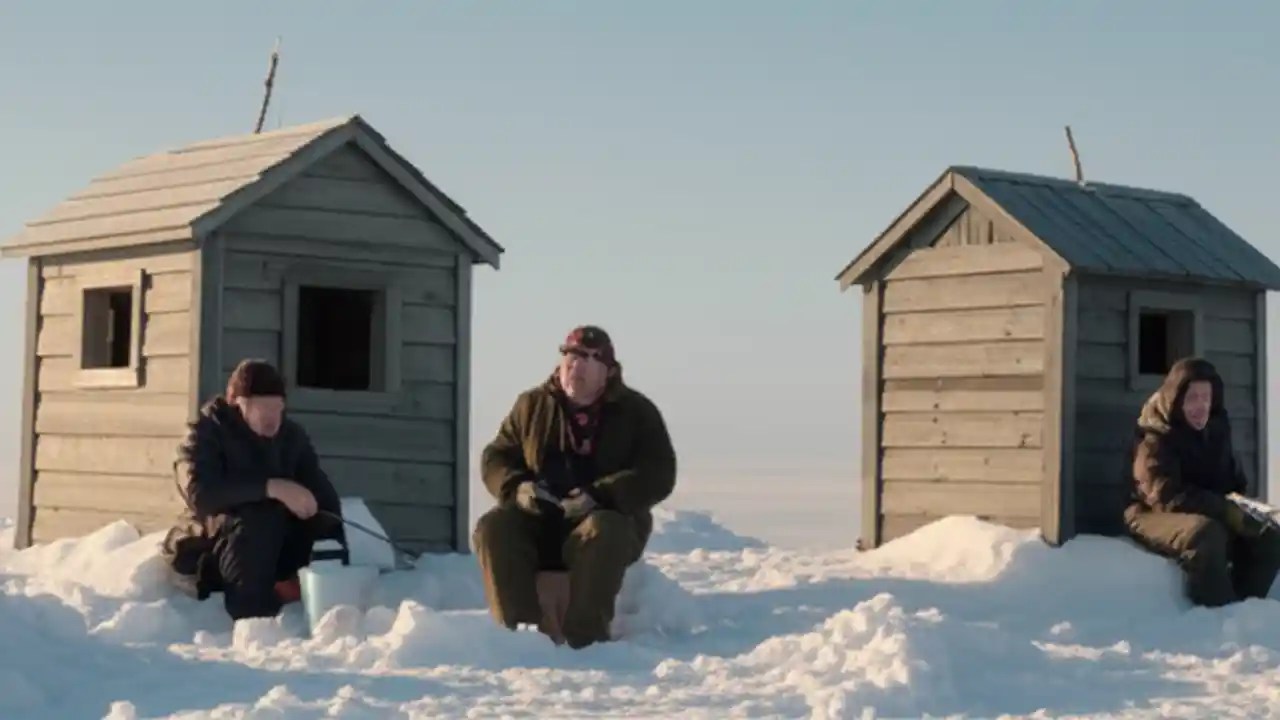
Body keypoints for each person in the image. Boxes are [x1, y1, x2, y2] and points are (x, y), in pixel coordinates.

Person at [473, 325, 677, 648]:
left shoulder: (637, 412)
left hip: (603, 523)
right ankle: (518, 638)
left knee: (605, 529)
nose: (575, 366)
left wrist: (601, 496)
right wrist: (518, 489)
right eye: (570, 356)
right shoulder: (532, 405)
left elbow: (660, 473)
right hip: (540, 519)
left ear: (607, 372)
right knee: (493, 527)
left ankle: (585, 641)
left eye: (587, 359)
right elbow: (496, 456)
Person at [161, 359, 345, 621]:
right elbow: (201, 496)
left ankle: (317, 598)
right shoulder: (206, 433)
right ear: (238, 404)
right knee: (257, 517)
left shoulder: (291, 438)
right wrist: (269, 487)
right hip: (214, 542)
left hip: (274, 545)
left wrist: (319, 514)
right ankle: (254, 613)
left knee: (321, 514)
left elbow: (323, 495)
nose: (272, 418)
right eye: (263, 409)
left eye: (278, 408)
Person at [1123, 356, 1280, 607]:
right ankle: (1214, 612)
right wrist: (1224, 510)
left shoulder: (1215, 430)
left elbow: (1233, 484)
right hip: (1148, 514)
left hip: (1203, 508)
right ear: (1176, 400)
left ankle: (1246, 608)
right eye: (1193, 398)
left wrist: (1245, 510)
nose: (1201, 405)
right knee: (1206, 534)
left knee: (1268, 535)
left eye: (1206, 397)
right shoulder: (1154, 437)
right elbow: (1166, 496)